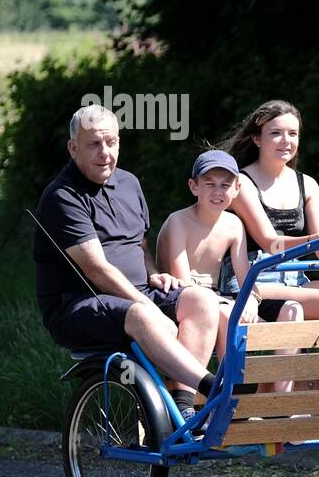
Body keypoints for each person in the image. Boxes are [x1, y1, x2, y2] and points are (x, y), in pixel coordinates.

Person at [32, 104, 225, 423]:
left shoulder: (130, 184)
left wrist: (153, 274)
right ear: (73, 148)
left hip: (134, 294)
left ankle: (184, 407)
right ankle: (211, 385)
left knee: (201, 299)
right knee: (139, 314)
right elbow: (96, 269)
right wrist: (146, 306)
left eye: (112, 142)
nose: (105, 152)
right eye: (94, 144)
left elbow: (139, 244)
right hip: (78, 304)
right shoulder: (62, 197)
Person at [221, 100, 319, 389]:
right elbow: (269, 241)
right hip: (253, 280)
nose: (286, 141)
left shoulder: (307, 184)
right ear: (256, 138)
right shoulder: (242, 183)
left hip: (294, 279)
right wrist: (312, 241)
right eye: (276, 133)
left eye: (293, 134)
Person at [155, 149, 304, 388]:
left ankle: (280, 397)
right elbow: (182, 281)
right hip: (180, 301)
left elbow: (245, 276)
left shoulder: (234, 224)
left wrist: (252, 299)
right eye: (209, 184)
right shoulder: (178, 221)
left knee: (289, 312)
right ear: (194, 187)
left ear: (237, 188)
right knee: (228, 314)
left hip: (217, 297)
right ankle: (230, 386)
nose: (218, 192)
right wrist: (231, 304)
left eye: (225, 185)